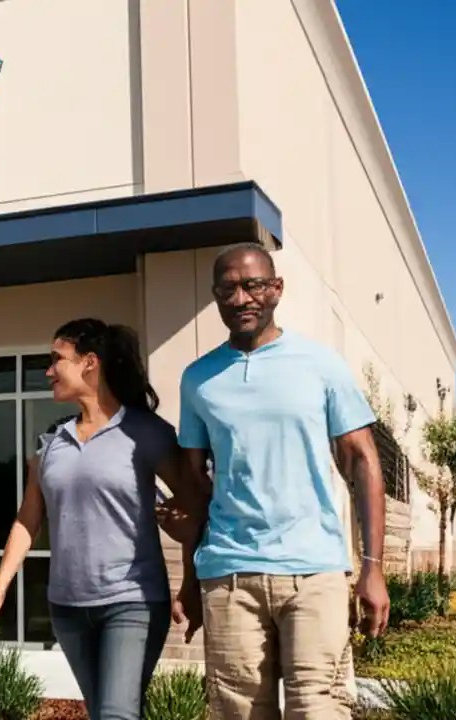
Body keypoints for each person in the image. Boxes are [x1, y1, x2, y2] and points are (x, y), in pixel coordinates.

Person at [172, 242, 390, 719]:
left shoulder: (321, 364)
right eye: (228, 288)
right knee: (237, 713)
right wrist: (190, 576)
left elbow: (363, 460)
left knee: (320, 710)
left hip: (314, 571)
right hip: (230, 576)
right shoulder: (198, 379)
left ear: (276, 289)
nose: (241, 298)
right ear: (215, 296)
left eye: (253, 285)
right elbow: (195, 483)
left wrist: (373, 567)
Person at [0, 318, 197, 720]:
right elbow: (28, 519)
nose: (48, 371)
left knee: (116, 714)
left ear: (89, 363)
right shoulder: (50, 445)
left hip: (132, 601)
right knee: (102, 712)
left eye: (57, 359)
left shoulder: (146, 433)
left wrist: (190, 582)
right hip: (67, 607)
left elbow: (193, 507)